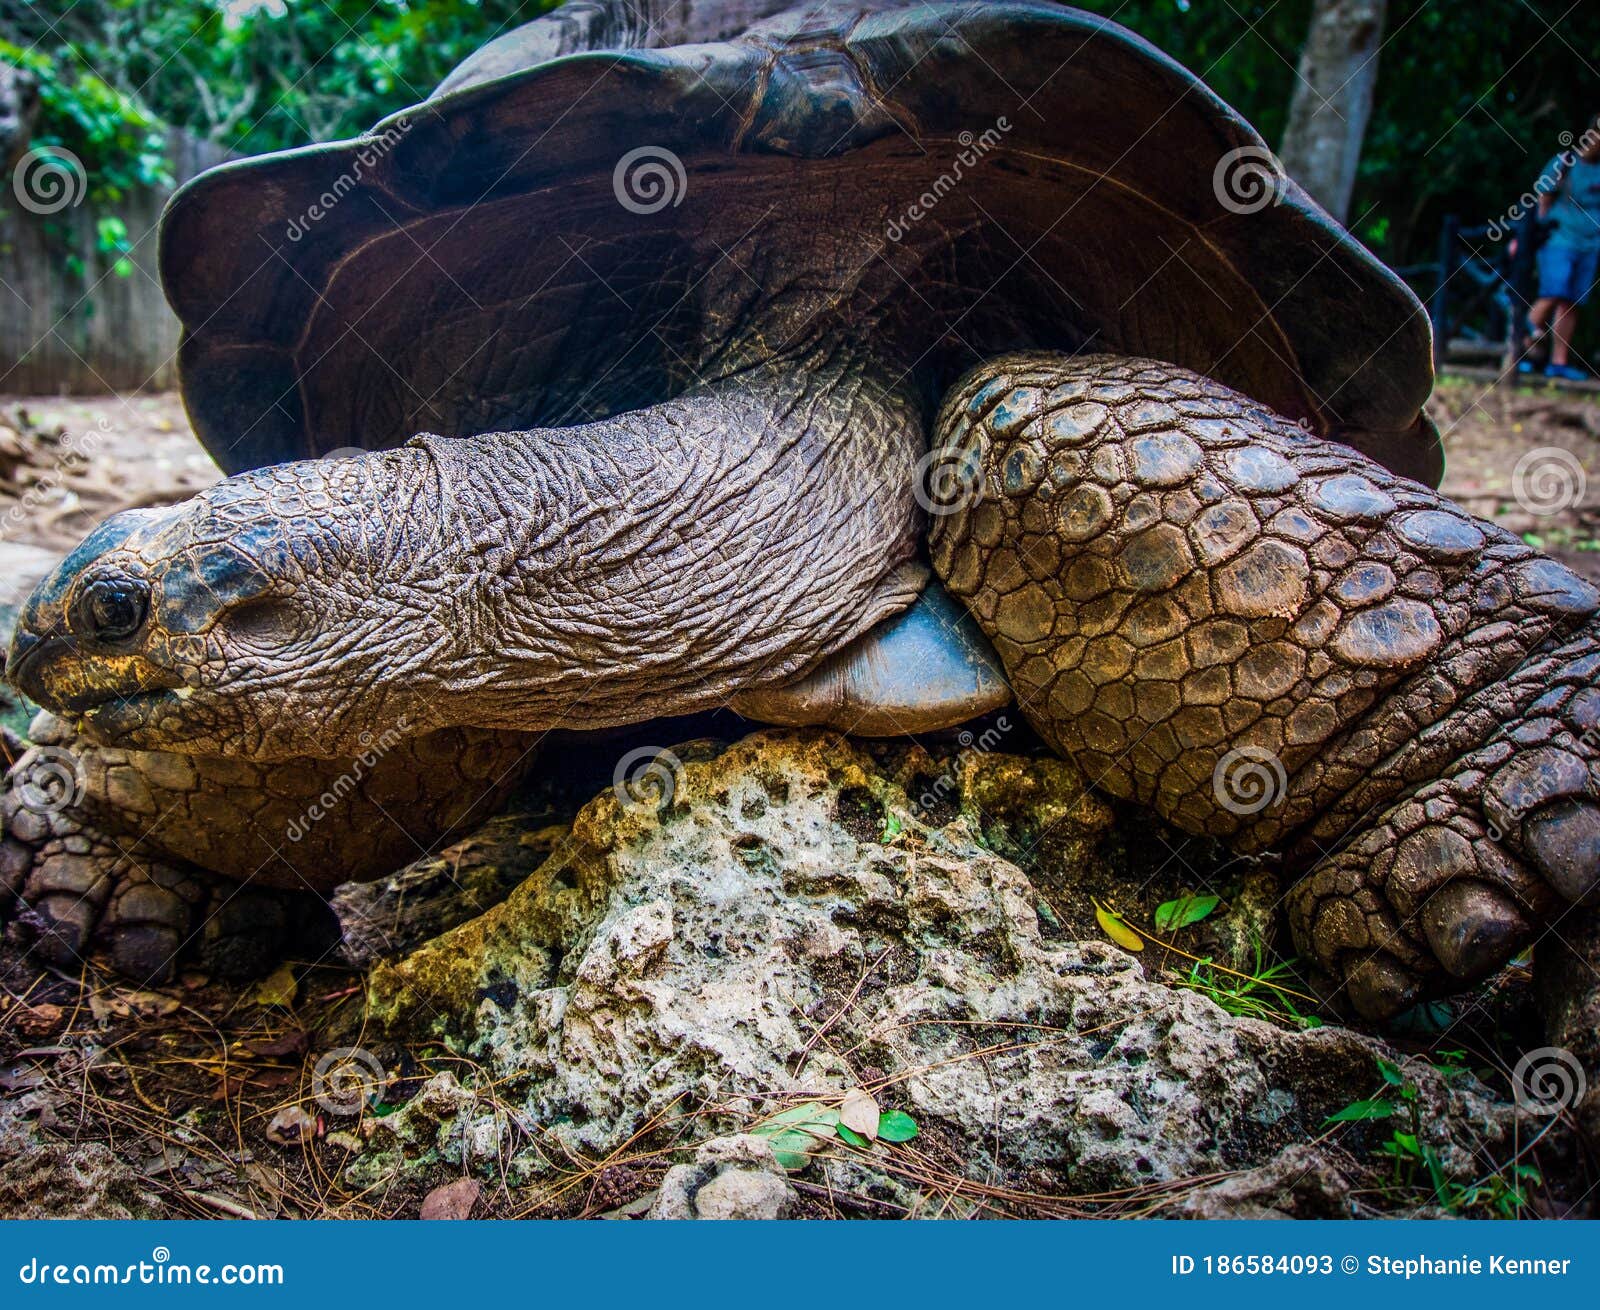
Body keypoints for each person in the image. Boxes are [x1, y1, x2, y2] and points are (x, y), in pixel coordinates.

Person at [1523, 115, 1600, 381]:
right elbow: (1543, 197)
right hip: (1559, 240)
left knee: (1571, 302)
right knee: (1553, 292)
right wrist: (1539, 232)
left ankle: (1558, 362)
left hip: (1590, 244)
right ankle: (1525, 345)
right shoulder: (1566, 162)